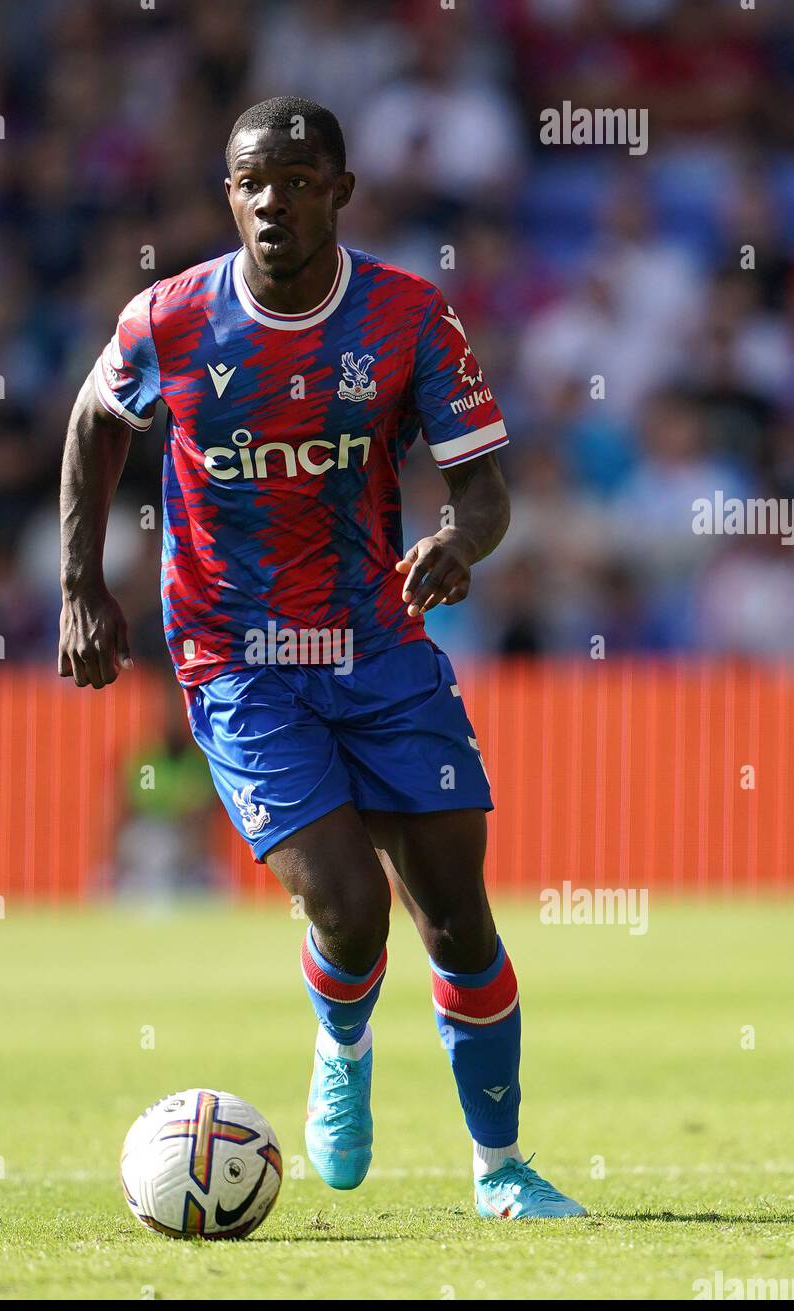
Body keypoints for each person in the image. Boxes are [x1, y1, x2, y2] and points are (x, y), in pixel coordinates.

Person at [59, 96, 584, 1220]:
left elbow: (483, 485)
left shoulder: (405, 317)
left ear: (340, 192)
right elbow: (95, 422)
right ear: (229, 196)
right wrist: (81, 586)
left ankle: (500, 1170)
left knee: (456, 916)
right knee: (348, 907)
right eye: (253, 181)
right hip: (235, 657)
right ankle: (342, 1048)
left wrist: (460, 540)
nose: (273, 201)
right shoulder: (171, 319)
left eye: (298, 180)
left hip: (380, 644)